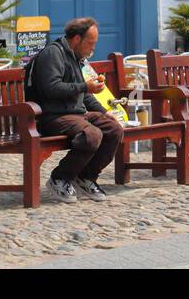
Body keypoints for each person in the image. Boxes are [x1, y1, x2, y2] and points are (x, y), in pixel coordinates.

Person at [25, 17, 122, 204]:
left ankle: (86, 177)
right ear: (76, 39)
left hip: (75, 114)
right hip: (52, 116)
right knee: (92, 135)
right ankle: (60, 178)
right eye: (90, 43)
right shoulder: (53, 54)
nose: (92, 48)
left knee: (113, 128)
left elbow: (84, 95)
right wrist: (84, 86)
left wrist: (103, 112)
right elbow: (51, 88)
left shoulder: (76, 58)